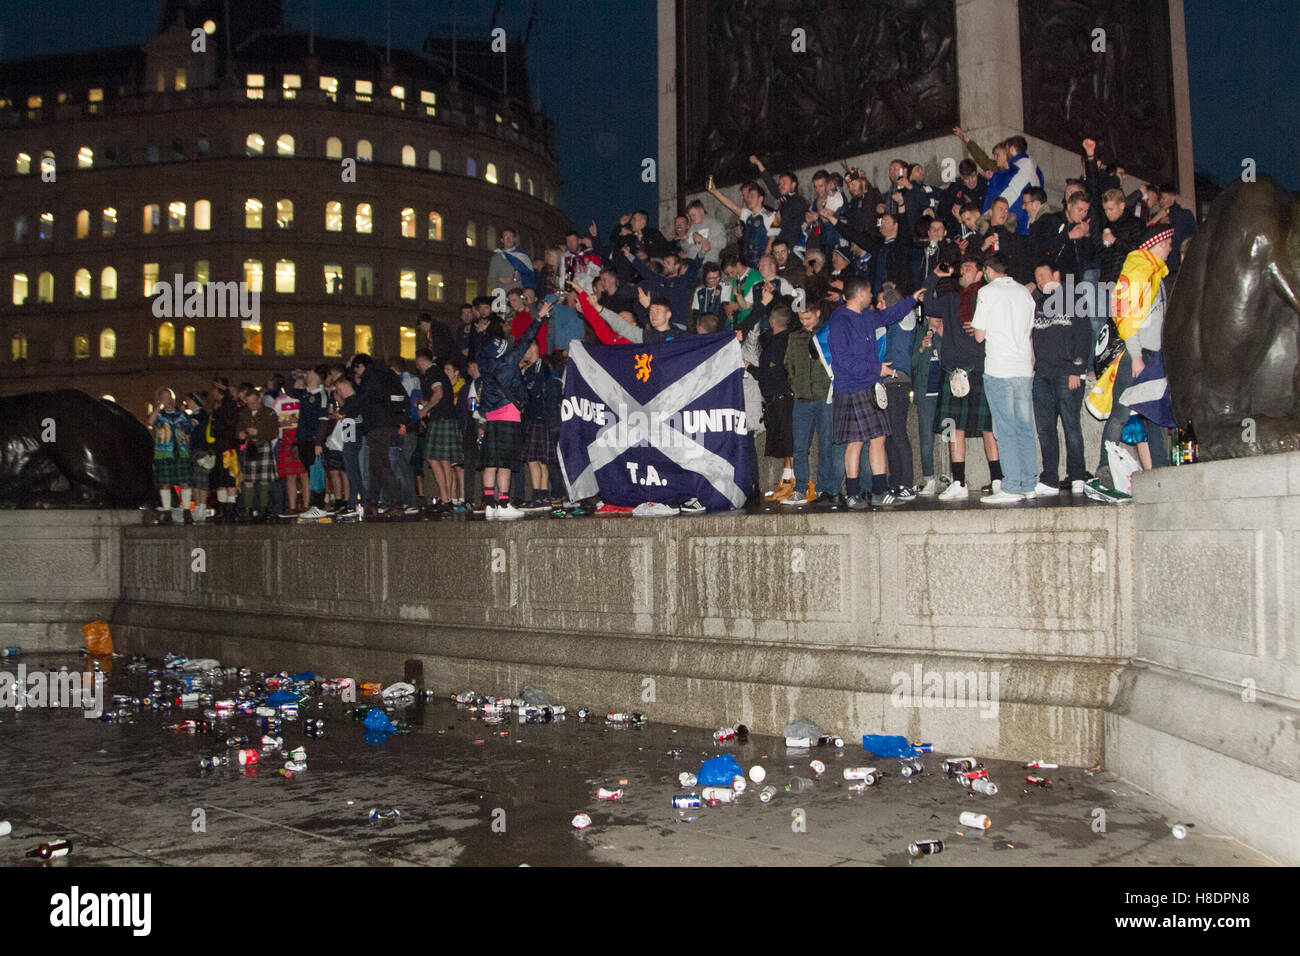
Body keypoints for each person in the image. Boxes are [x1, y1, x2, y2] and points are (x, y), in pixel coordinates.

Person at [1085, 225, 1175, 501]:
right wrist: (1135, 354)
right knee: (1121, 413)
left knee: (1156, 413)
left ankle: (1162, 472)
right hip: (1135, 355)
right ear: (1157, 244)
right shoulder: (1137, 271)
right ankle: (1104, 470)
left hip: (1153, 354)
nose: (1171, 246)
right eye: (1168, 242)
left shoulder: (1154, 273)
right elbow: (1124, 315)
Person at [827, 277, 924, 509]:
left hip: (869, 385)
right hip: (851, 387)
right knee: (855, 442)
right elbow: (843, 360)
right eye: (870, 292)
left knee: (879, 438)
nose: (872, 297)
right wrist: (876, 368)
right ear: (860, 294)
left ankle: (879, 491)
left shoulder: (867, 317)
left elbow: (888, 315)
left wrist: (911, 300)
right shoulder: (840, 321)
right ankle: (852, 493)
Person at [926, 256, 1003, 500]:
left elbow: (1004, 327)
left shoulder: (989, 298)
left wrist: (987, 328)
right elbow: (928, 305)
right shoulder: (950, 300)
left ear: (981, 274)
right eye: (961, 268)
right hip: (954, 371)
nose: (962, 271)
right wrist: (935, 277)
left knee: (989, 427)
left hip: (980, 369)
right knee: (953, 428)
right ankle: (958, 482)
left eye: (968, 267)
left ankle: (998, 479)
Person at [470, 301, 548, 519]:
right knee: (505, 463)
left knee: (491, 462)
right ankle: (503, 504)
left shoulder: (486, 365)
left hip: (492, 415)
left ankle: (489, 506)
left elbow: (479, 350)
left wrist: (479, 335)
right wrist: (539, 318)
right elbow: (525, 340)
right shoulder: (509, 360)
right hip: (509, 413)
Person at [971, 255, 1039, 503]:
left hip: (999, 368)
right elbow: (1029, 331)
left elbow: (979, 335)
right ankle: (1029, 483)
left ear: (988, 270)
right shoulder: (1024, 293)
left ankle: (1011, 486)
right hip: (1023, 368)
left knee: (1006, 430)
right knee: (1024, 428)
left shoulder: (987, 293)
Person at [1030, 261, 1092, 495]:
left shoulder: (1074, 299)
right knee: (1045, 430)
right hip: (1043, 375)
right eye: (1037, 277)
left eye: (1043, 275)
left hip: (1067, 374)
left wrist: (1077, 369)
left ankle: (1077, 475)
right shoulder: (1037, 305)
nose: (1040, 280)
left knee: (1071, 427)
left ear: (1056, 275)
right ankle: (1049, 478)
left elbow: (1084, 335)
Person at [351, 353, 408, 521]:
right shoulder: (389, 375)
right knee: (375, 464)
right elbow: (403, 398)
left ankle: (396, 502)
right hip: (389, 424)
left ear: (361, 365)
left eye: (357, 368)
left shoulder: (370, 375)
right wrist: (400, 420)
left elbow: (364, 399)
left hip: (376, 424)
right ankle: (372, 502)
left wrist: (347, 408)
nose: (357, 372)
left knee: (381, 463)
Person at [754, 301, 796, 500]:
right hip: (782, 396)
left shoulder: (779, 343)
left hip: (780, 396)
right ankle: (787, 479)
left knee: (788, 441)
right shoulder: (786, 339)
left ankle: (790, 482)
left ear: (772, 321)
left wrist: (749, 368)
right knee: (785, 441)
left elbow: (769, 373)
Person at [148, 387, 194, 524]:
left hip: (181, 451)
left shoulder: (182, 415)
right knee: (165, 483)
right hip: (164, 453)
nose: (168, 401)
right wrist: (158, 407)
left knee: (185, 482)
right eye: (165, 398)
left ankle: (186, 511)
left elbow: (188, 433)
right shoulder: (159, 415)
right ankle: (167, 511)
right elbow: (150, 422)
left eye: (170, 398)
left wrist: (188, 450)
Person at [236, 383, 279, 521]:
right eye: (249, 403)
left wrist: (259, 432)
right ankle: (249, 509)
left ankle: (263, 509)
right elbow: (238, 429)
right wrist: (241, 434)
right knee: (248, 480)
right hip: (251, 448)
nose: (252, 405)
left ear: (259, 399)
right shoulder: (244, 413)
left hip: (264, 445)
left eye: (254, 402)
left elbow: (274, 432)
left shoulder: (269, 413)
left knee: (264, 480)